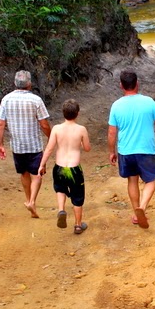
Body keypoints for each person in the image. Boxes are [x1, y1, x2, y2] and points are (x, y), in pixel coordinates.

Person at [107, 69, 155, 229]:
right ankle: (142, 207)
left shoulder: (116, 106)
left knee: (132, 180)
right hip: (146, 150)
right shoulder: (149, 102)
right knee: (151, 180)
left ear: (121, 85)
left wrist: (112, 152)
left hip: (126, 151)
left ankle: (136, 213)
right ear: (137, 84)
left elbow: (112, 132)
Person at [0, 70, 51, 218]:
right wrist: (51, 137)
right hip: (34, 145)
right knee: (37, 174)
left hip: (17, 145)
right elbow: (44, 124)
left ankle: (28, 199)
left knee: (24, 173)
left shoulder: (6, 99)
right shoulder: (36, 100)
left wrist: (0, 144)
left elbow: (1, 124)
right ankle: (32, 201)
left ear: (15, 83)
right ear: (29, 84)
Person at [38, 99, 92, 234]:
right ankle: (78, 225)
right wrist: (79, 144)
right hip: (74, 169)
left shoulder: (56, 129)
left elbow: (49, 149)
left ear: (63, 113)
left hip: (60, 168)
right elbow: (87, 148)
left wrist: (42, 164)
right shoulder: (81, 129)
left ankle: (61, 210)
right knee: (77, 196)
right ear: (77, 113)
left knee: (60, 189)